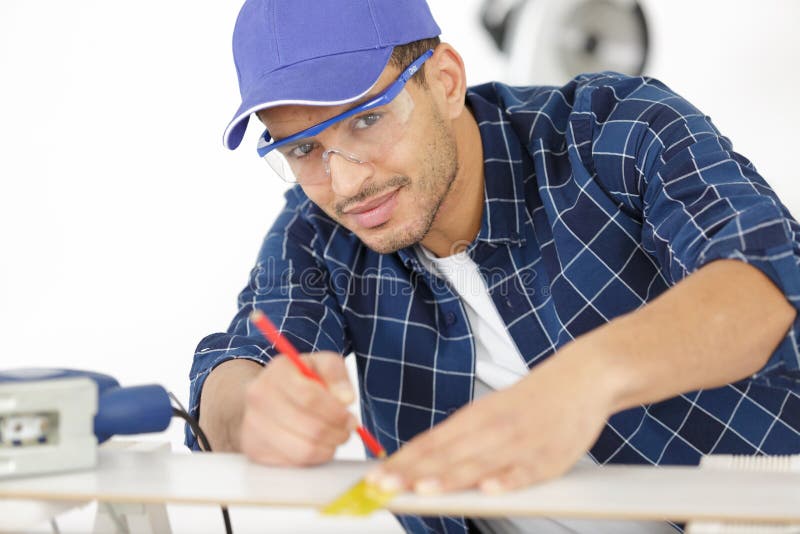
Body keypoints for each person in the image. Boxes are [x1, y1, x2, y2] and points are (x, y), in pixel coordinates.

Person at [187, 1, 800, 532]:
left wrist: (583, 381)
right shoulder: (316, 232)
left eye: (367, 119)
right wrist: (255, 412)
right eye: (302, 149)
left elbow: (768, 274)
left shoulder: (614, 128)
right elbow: (235, 368)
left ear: (446, 81)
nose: (346, 182)